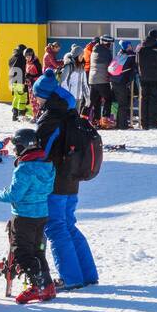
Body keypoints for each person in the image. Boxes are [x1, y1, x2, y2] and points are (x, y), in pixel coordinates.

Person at [35, 77, 99, 290]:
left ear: (44, 96)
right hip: (72, 180)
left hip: (56, 181)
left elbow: (42, 153)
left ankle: (71, 278)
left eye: (37, 95)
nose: (35, 99)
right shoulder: (70, 114)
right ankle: (88, 274)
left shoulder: (52, 117)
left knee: (55, 227)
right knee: (68, 225)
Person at [0, 128, 57, 303]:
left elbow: (15, 194)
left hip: (24, 215)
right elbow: (50, 189)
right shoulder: (48, 164)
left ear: (23, 147)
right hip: (41, 214)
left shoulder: (24, 168)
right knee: (37, 251)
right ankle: (47, 286)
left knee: (22, 252)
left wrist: (1, 194)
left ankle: (37, 286)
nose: (15, 151)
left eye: (16, 147)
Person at [109, 41, 137, 129]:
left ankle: (120, 123)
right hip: (121, 82)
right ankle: (122, 125)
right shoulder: (131, 56)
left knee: (121, 103)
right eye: (129, 45)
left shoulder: (119, 54)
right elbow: (134, 69)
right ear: (126, 47)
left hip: (114, 82)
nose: (131, 47)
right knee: (123, 104)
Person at [87, 35, 114, 125]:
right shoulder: (106, 52)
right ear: (106, 43)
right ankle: (105, 120)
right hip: (102, 80)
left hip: (92, 79)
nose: (110, 45)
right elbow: (110, 65)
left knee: (94, 101)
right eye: (109, 43)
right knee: (108, 99)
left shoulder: (94, 50)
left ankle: (93, 119)